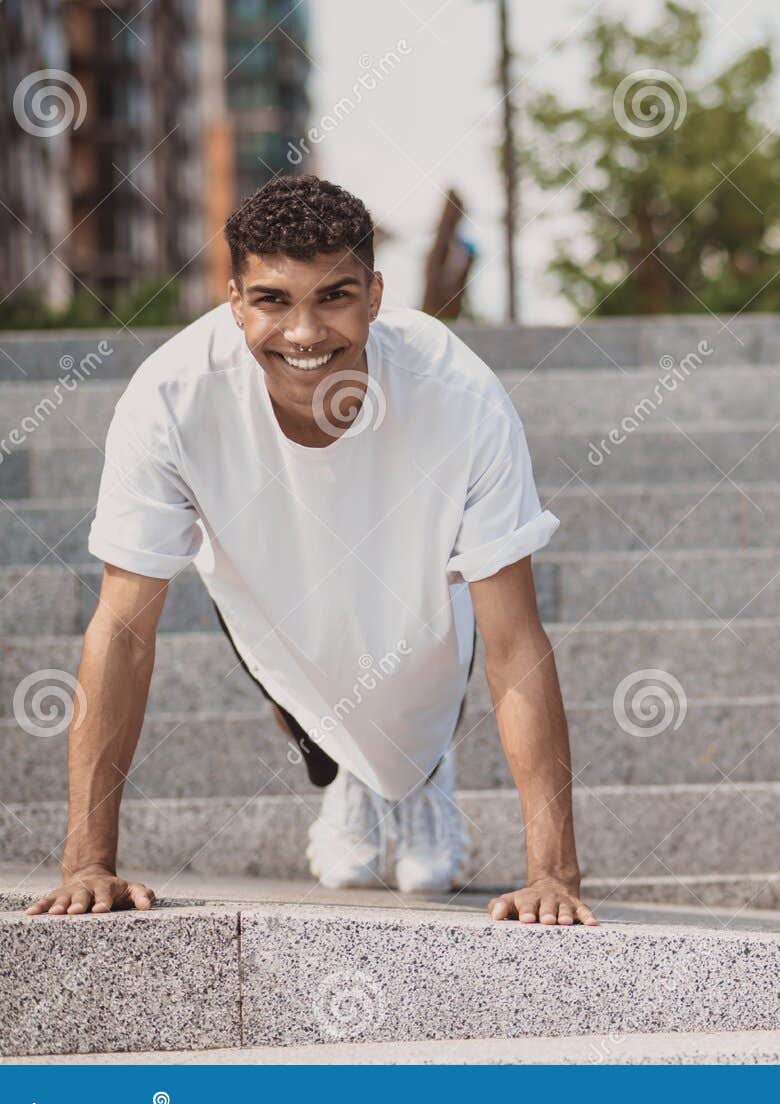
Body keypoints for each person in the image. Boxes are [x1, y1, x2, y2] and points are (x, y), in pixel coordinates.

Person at [25, 174, 594, 928]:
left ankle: (420, 776)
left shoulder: (460, 393)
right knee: (300, 643)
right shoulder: (169, 397)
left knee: (423, 661)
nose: (304, 332)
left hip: (418, 585)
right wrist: (87, 863)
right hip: (273, 583)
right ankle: (351, 774)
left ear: (375, 295)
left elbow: (514, 641)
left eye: (334, 296)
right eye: (272, 300)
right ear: (234, 301)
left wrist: (553, 876)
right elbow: (123, 630)